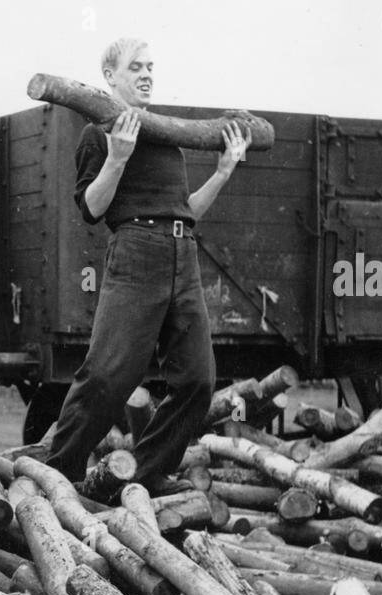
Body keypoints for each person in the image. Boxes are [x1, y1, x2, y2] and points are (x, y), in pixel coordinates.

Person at [46, 37, 250, 497]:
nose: (146, 74)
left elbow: (188, 210)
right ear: (110, 76)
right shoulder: (97, 133)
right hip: (135, 251)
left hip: (183, 251)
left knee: (199, 380)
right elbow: (92, 208)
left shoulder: (167, 139)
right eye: (134, 67)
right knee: (106, 377)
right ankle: (57, 473)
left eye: (151, 67)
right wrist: (117, 158)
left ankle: (145, 473)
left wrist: (222, 171)